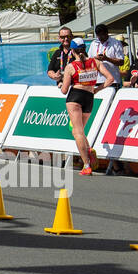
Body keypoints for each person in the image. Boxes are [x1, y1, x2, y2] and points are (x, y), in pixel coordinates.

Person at [58, 38, 99, 176]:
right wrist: (96, 90)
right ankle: (88, 148)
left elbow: (64, 91)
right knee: (77, 131)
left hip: (75, 97)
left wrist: (61, 83)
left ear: (72, 50)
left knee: (77, 132)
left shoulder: (71, 66)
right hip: (89, 97)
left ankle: (86, 164)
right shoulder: (95, 62)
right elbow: (110, 78)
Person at [88, 24, 124, 89]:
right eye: (98, 35)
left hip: (113, 81)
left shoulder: (116, 43)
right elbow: (89, 61)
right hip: (97, 80)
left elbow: (121, 62)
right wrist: (95, 59)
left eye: (102, 35)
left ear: (107, 33)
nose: (100, 38)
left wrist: (107, 59)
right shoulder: (94, 43)